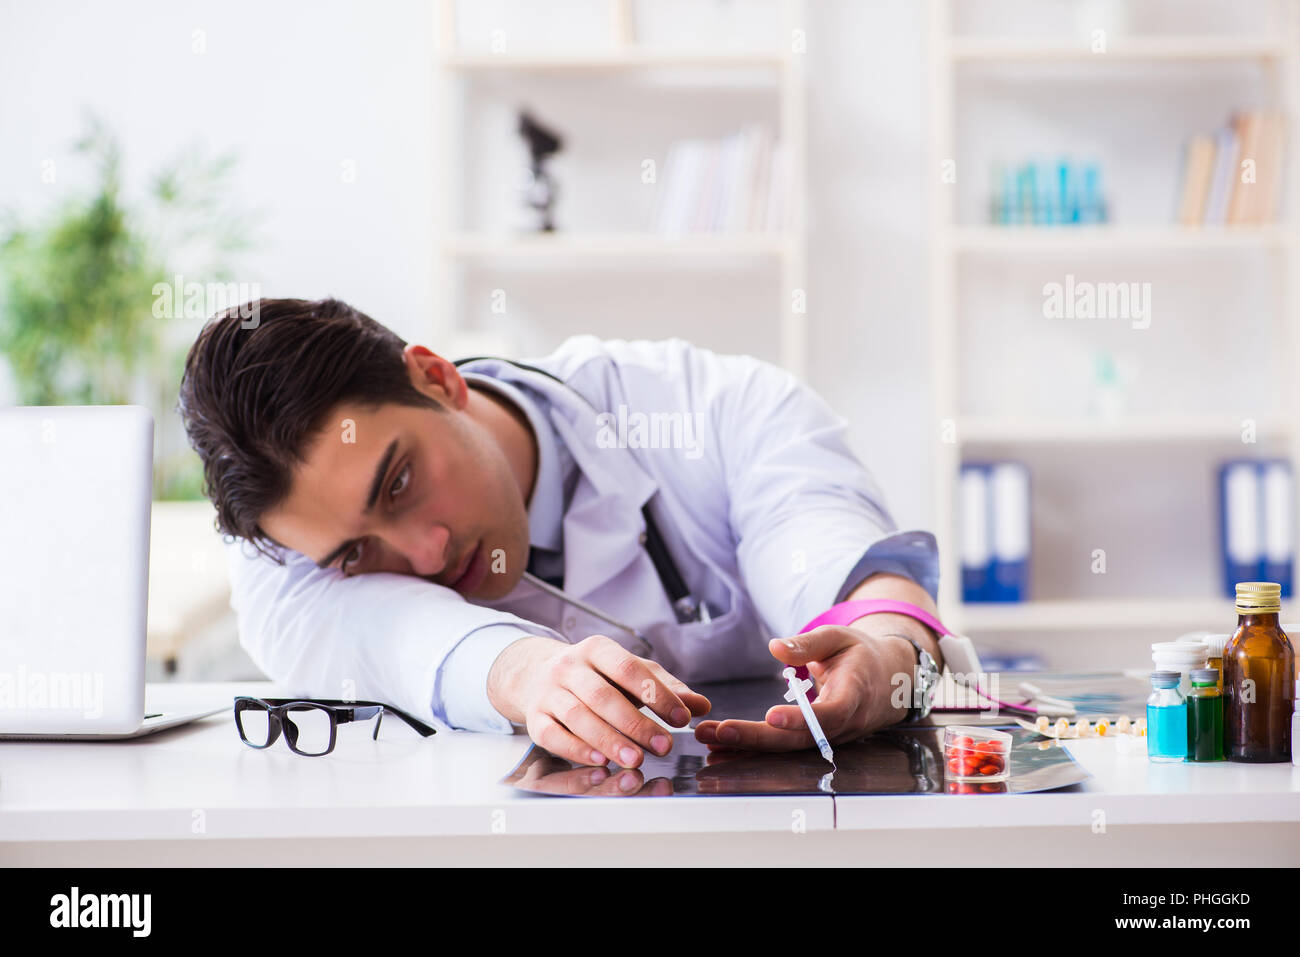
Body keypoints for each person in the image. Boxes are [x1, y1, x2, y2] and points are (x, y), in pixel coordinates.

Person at [179, 297, 944, 769]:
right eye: (356, 551)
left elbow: (830, 549)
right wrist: (526, 674)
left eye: (399, 482)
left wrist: (885, 649)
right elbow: (341, 623)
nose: (425, 553)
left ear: (437, 377)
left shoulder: (707, 406)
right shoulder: (287, 565)